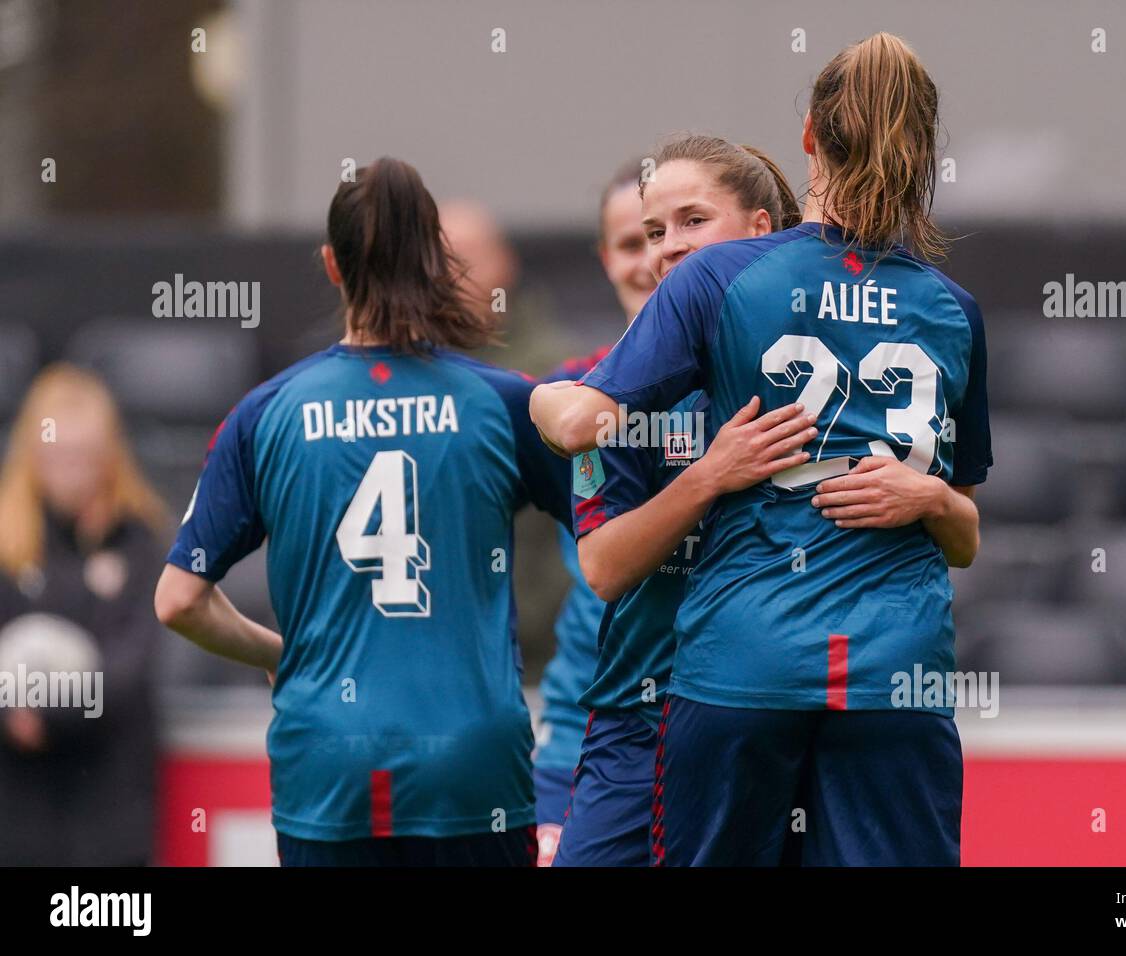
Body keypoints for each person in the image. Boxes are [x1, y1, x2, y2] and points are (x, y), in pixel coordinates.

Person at [531, 34, 990, 866]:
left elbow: (575, 427)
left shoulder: (723, 282)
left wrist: (536, 392)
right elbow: (967, 535)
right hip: (897, 667)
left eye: (688, 224)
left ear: (809, 137)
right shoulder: (952, 307)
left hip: (742, 659)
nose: (668, 249)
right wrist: (934, 499)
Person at [154, 157, 570, 867]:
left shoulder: (266, 414)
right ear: (437, 264)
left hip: (329, 769)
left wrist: (281, 655)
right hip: (472, 768)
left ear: (331, 265)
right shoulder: (506, 404)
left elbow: (179, 600)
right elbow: (613, 546)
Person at [552, 136, 815, 867]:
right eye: (651, 233)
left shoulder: (820, 368)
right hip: (642, 718)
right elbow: (602, 569)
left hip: (779, 716)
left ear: (762, 229)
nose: (665, 251)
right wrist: (708, 477)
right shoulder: (616, 387)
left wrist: (940, 502)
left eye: (692, 222)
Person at [530, 158, 657, 866]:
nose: (648, 261)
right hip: (583, 734)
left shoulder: (753, 392)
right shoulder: (564, 396)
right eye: (629, 243)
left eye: (661, 237)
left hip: (723, 730)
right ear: (605, 258)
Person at [0, 363, 168, 866]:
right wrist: (13, 715)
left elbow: (129, 666)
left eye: (84, 457)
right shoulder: (7, 543)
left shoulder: (139, 540)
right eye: (58, 457)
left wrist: (46, 713)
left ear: (109, 457)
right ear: (32, 455)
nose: (72, 472)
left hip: (110, 810)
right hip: (17, 810)